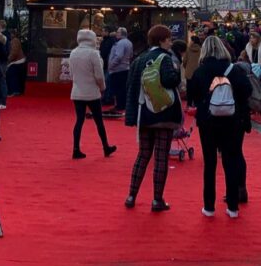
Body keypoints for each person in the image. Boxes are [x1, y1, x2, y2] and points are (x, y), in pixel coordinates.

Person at [188, 35, 252, 218]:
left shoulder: (201, 70)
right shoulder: (233, 69)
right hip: (233, 120)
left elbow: (192, 94)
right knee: (230, 160)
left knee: (210, 163)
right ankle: (232, 206)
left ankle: (209, 206)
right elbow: (246, 90)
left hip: (208, 121)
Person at [124, 24, 182, 211]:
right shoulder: (165, 58)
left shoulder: (140, 59)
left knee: (143, 155)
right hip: (163, 114)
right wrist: (177, 70)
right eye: (169, 39)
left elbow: (131, 87)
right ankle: (157, 200)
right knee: (160, 158)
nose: (171, 42)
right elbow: (170, 81)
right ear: (162, 40)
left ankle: (131, 195)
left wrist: (132, 115)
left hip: (144, 114)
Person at [68, 28, 117, 159]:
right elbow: (99, 76)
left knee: (79, 120)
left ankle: (76, 148)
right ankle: (105, 146)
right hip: (91, 92)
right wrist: (102, 87)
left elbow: (71, 74)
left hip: (77, 91)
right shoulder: (94, 54)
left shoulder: (73, 53)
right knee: (99, 121)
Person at [107, 27, 133, 113]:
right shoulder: (129, 42)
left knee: (118, 89)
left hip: (118, 69)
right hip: (125, 68)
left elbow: (118, 56)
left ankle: (119, 105)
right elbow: (131, 55)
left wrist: (111, 65)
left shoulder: (121, 43)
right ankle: (122, 105)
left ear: (122, 34)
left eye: (118, 32)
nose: (116, 34)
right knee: (123, 88)